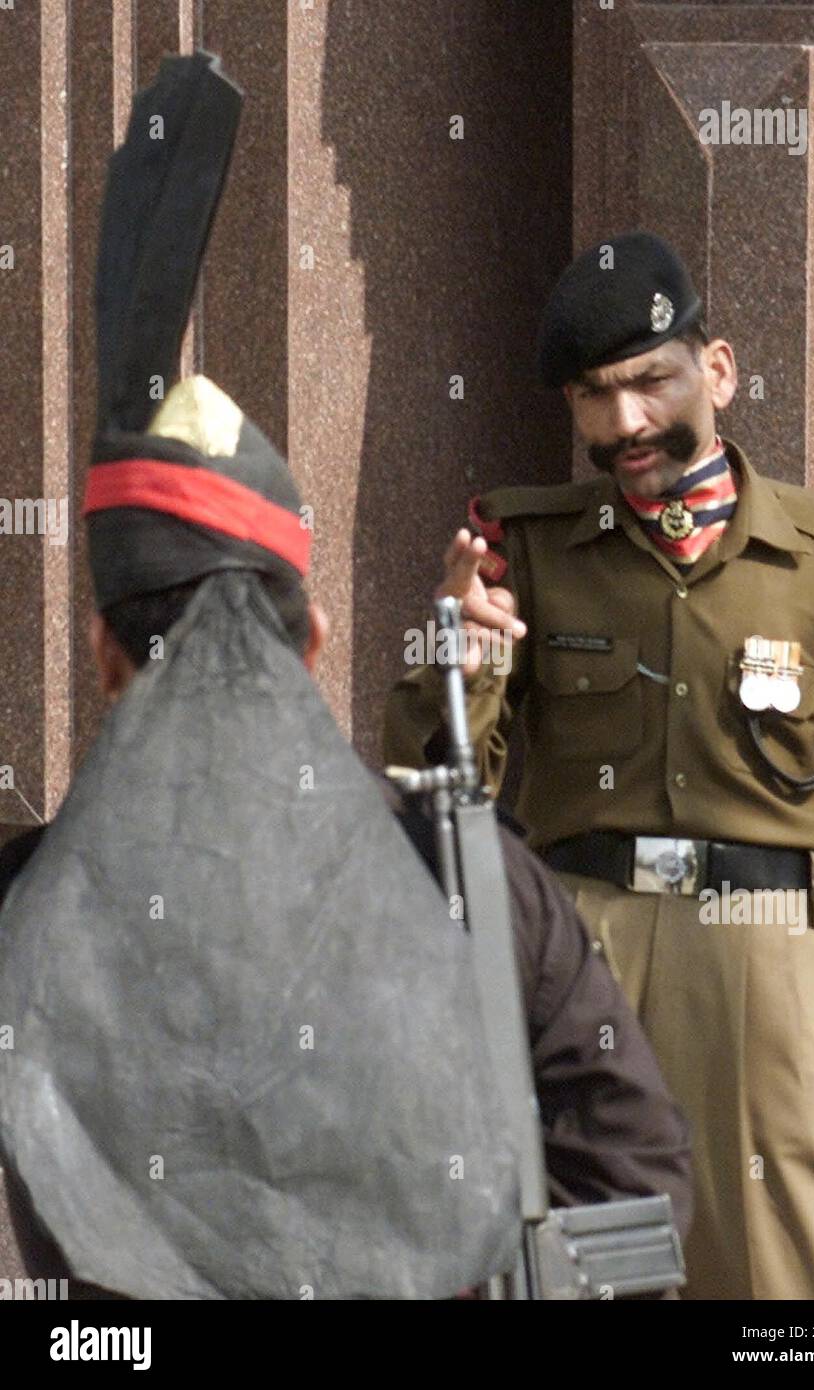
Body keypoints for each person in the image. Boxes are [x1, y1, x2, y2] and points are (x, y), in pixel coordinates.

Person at [0, 60, 691, 1301]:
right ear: (313, 632)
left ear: (104, 657)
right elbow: (631, 1160)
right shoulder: (468, 875)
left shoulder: (28, 908)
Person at [384, 229, 814, 1301]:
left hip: (757, 952)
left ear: (713, 371)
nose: (624, 422)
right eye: (593, 394)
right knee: (566, 1259)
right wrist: (462, 651)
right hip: (575, 945)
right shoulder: (518, 551)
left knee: (782, 1269)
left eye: (648, 382)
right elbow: (435, 790)